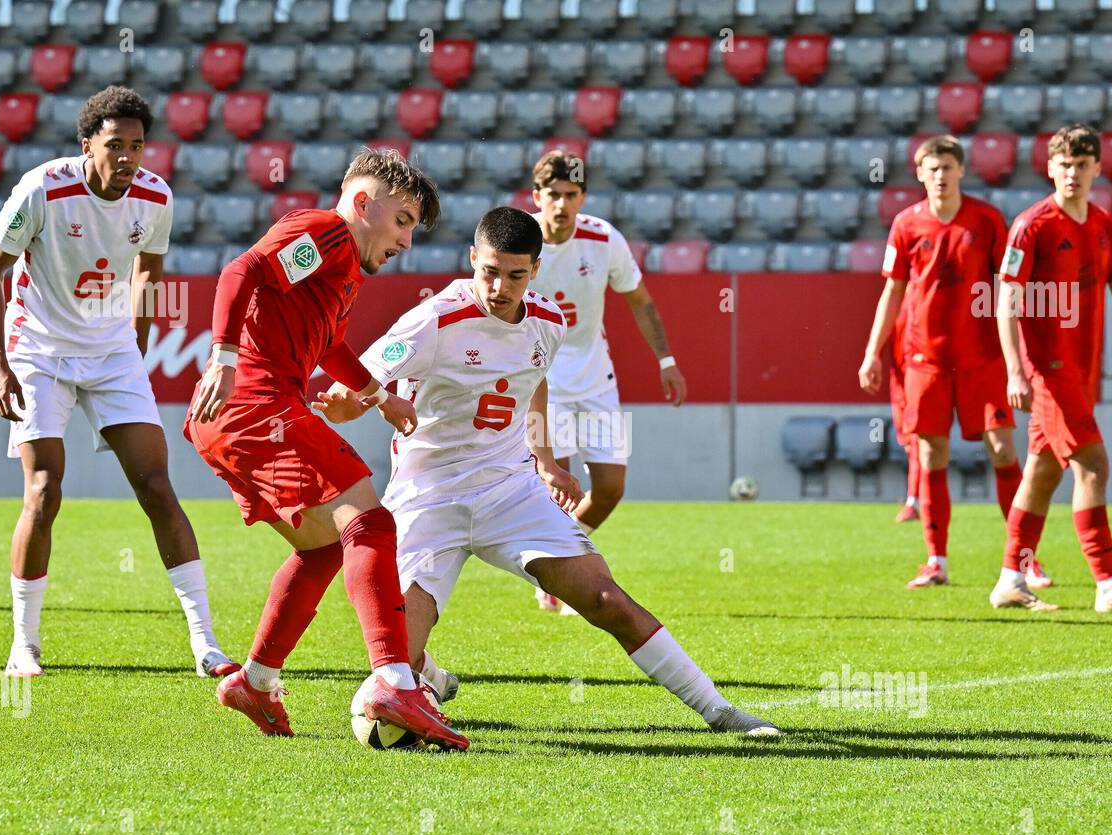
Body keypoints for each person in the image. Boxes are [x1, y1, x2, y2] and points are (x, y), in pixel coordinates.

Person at [314, 207, 780, 737]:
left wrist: (545, 460)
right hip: (427, 499)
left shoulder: (548, 321)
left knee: (607, 599)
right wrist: (347, 406)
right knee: (394, 656)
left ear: (535, 270)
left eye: (514, 274)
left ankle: (720, 711)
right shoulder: (433, 320)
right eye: (489, 271)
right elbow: (362, 380)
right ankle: (428, 677)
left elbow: (532, 380)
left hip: (510, 493)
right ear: (472, 259)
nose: (499, 287)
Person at [184, 147, 468, 749]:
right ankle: (395, 678)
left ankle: (256, 681)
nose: (407, 242)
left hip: (247, 415)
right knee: (369, 520)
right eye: (403, 221)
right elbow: (241, 271)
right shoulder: (327, 234)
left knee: (322, 551)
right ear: (364, 203)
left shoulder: (337, 267)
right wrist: (224, 357)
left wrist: (380, 397)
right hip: (255, 407)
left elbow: (328, 347)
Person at [0, 86, 234, 678]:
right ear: (87, 143)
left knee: (157, 486)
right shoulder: (42, 188)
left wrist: (137, 332)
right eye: (114, 144)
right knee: (44, 491)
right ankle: (25, 644)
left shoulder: (156, 196)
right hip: (39, 348)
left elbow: (149, 263)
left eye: (137, 146)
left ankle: (206, 644)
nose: (127, 157)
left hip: (112, 350)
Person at [988, 125, 1112, 613]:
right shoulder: (1031, 225)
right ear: (1050, 168)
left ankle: (1011, 578)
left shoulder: (1103, 225)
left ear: (1097, 168)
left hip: (1080, 368)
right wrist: (1015, 371)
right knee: (1094, 466)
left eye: (1082, 164)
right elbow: (1005, 301)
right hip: (1048, 370)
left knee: (1044, 473)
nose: (1072, 173)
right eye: (1064, 164)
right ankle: (1107, 582)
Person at [859, 135, 1052, 589]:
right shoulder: (906, 225)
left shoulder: (986, 221)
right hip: (924, 359)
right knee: (930, 454)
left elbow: (1009, 287)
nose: (941, 175)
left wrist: (1016, 360)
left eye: (948, 167)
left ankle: (1025, 559)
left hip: (982, 359)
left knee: (1003, 450)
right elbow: (893, 292)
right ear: (920, 174)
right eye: (932, 168)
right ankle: (936, 561)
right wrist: (871, 352)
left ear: (961, 171)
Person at [525, 151, 688, 613]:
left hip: (597, 378)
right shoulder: (522, 239)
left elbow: (640, 299)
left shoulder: (602, 237)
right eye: (553, 195)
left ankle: (559, 565)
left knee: (612, 487)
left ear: (583, 198)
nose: (561, 204)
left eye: (571, 195)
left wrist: (667, 360)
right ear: (537, 197)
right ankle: (563, 576)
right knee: (559, 485)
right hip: (540, 380)